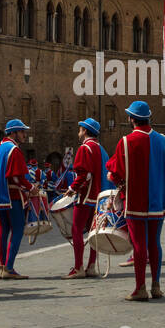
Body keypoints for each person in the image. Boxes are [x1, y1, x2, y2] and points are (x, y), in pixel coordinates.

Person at [106, 101, 165, 300]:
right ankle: (156, 286)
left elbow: (116, 171)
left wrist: (113, 178)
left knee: (139, 245)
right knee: (155, 243)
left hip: (135, 201)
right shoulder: (163, 141)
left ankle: (140, 288)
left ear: (131, 118)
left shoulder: (126, 141)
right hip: (158, 202)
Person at [0, 119, 33, 280]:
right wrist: (32, 188)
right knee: (18, 230)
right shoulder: (14, 150)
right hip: (13, 197)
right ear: (13, 133)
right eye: (22, 131)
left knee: (3, 231)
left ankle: (2, 266)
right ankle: (9, 268)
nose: (25, 134)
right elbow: (17, 178)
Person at [66, 117, 107, 278]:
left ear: (84, 131)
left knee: (76, 230)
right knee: (93, 232)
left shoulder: (84, 148)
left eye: (80, 129)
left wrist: (71, 188)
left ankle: (78, 268)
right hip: (96, 197)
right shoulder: (99, 148)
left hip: (85, 196)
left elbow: (85, 175)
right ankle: (91, 266)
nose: (79, 131)